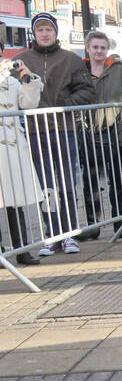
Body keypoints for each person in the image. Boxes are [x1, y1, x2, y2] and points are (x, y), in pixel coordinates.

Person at [14, 12, 96, 255]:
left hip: (64, 129)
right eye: (40, 30)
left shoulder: (71, 60)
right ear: (34, 33)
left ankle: (70, 234)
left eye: (48, 29)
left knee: (67, 183)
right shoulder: (21, 60)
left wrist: (64, 105)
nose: (44, 33)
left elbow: (88, 91)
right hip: (35, 132)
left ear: (55, 32)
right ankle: (52, 234)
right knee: (46, 186)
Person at [82, 31, 122, 240]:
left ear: (107, 49)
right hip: (89, 135)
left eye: (103, 47)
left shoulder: (120, 71)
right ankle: (94, 224)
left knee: (117, 182)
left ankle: (119, 223)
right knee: (90, 182)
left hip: (117, 135)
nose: (99, 51)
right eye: (95, 47)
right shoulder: (79, 72)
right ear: (88, 48)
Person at [0, 49, 44, 266]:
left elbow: (28, 103)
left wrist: (29, 80)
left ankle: (23, 248)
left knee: (16, 200)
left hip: (13, 147)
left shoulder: (11, 83)